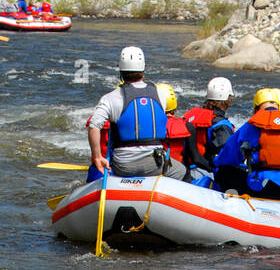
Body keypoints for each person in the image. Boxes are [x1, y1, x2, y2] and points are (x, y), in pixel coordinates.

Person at [87, 47, 187, 182]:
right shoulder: (160, 95)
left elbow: (94, 126)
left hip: (123, 166)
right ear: (143, 70)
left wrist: (97, 157)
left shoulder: (110, 98)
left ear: (121, 71)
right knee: (182, 171)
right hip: (156, 164)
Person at [213, 87, 280, 201]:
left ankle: (229, 204)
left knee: (224, 171)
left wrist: (215, 162)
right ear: (279, 106)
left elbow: (227, 158)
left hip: (262, 189)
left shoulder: (251, 126)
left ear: (256, 108)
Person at [183, 78, 236, 175]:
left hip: (185, 168)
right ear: (228, 99)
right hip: (206, 171)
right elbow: (228, 155)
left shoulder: (192, 115)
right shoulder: (221, 125)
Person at [160, 85, 194, 177]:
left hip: (156, 172)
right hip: (181, 175)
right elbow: (196, 159)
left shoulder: (149, 126)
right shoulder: (188, 126)